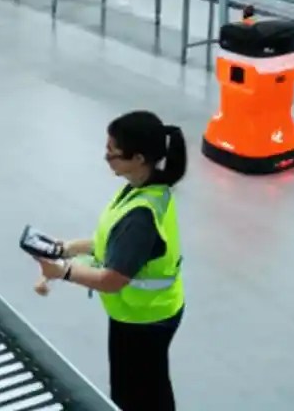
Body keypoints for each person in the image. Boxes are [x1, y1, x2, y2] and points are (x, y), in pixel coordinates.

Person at [33, 111, 187, 411]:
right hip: (150, 311)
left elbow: (113, 280)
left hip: (145, 318)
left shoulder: (141, 215)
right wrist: (67, 248)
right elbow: (114, 243)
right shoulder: (142, 188)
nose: (106, 157)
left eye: (112, 153)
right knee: (151, 384)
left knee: (136, 395)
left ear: (138, 157)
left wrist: (63, 272)